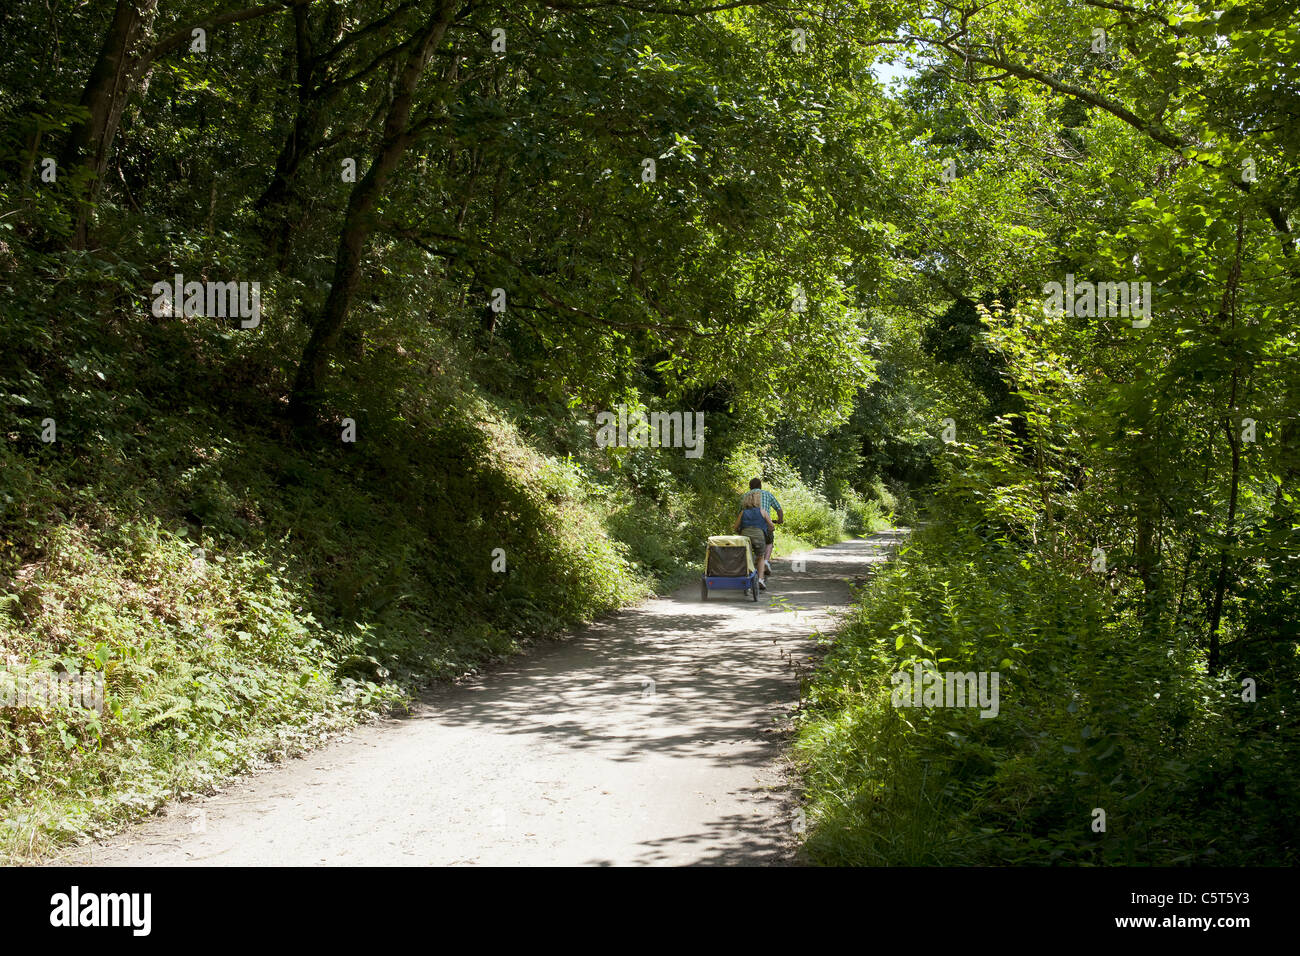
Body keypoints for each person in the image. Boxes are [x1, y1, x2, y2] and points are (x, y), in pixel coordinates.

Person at [739, 478, 783, 580]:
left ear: (750, 486)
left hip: (746, 527)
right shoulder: (767, 494)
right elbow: (779, 509)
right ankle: (765, 561)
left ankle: (747, 570)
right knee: (769, 541)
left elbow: (739, 512)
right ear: (760, 486)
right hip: (764, 525)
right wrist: (780, 519)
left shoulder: (745, 496)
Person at [733, 489, 774, 591]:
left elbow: (735, 527)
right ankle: (760, 579)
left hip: (745, 538)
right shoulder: (762, 511)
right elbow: (772, 526)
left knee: (746, 557)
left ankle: (745, 579)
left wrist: (740, 531)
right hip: (759, 537)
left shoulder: (743, 512)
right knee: (760, 557)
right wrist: (768, 529)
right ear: (758, 501)